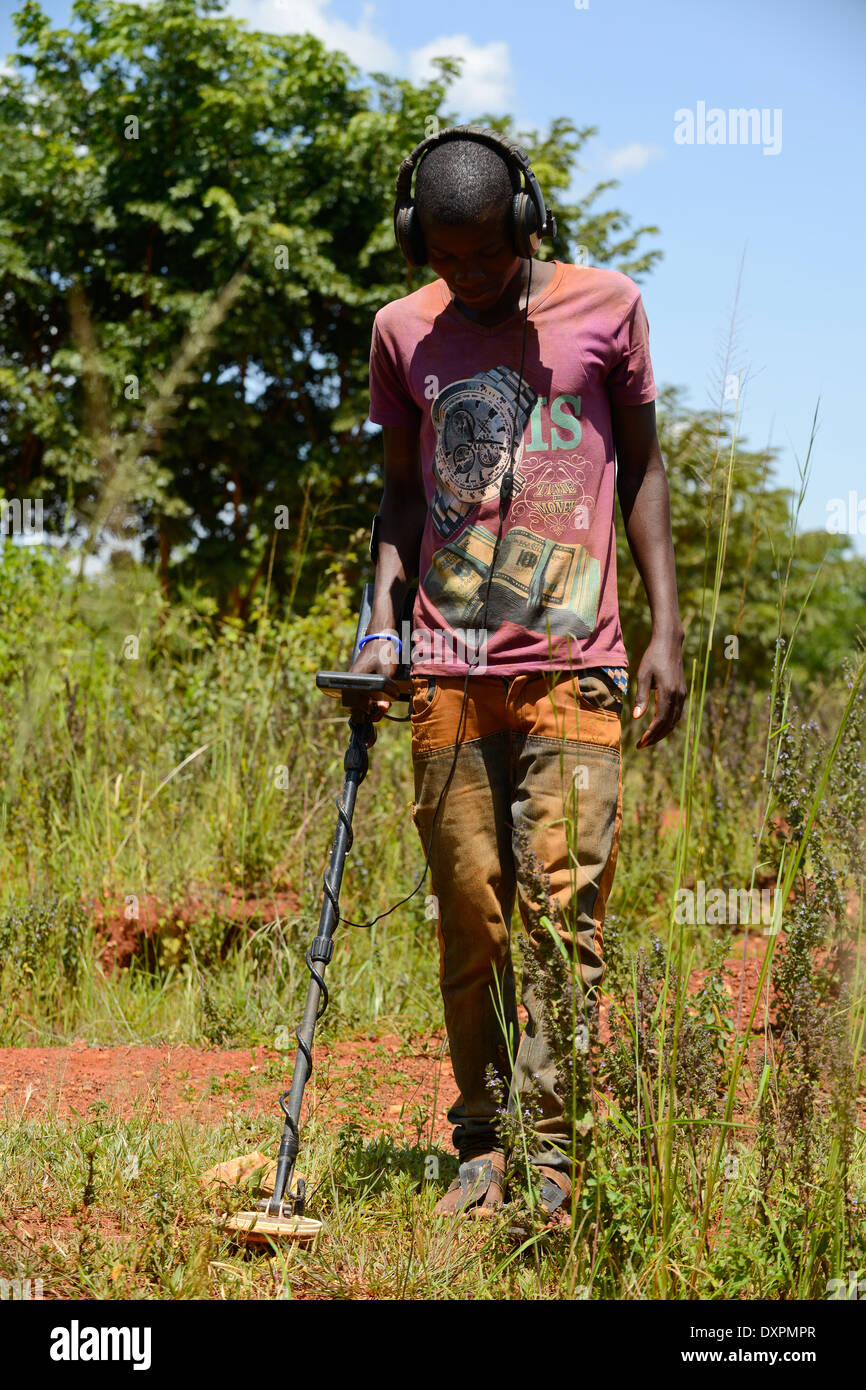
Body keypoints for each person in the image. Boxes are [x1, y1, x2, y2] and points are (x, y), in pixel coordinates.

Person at [351, 127, 686, 1218]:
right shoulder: (401, 331)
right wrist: (377, 627)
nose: (468, 281)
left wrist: (662, 632)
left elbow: (639, 470)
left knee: (560, 909)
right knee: (469, 912)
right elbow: (401, 499)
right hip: (446, 674)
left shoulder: (607, 307)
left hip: (573, 665)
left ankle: (554, 1149)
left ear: (525, 225)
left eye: (486, 260)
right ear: (418, 245)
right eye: (444, 262)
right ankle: (481, 1138)